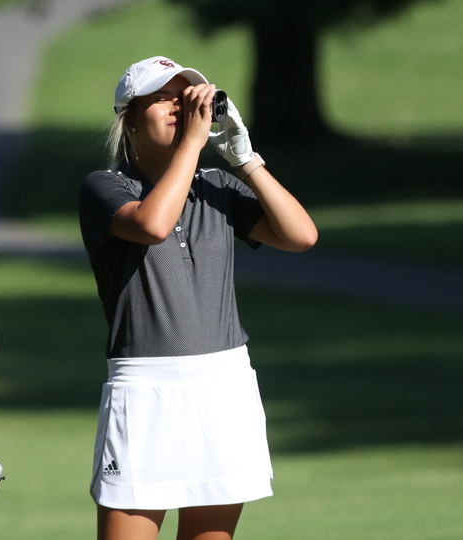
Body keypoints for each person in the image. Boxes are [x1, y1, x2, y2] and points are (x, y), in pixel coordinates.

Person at [78, 56, 318, 540]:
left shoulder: (219, 187)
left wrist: (246, 159)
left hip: (224, 384)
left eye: (187, 96)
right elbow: (152, 224)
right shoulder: (104, 187)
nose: (180, 106)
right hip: (144, 389)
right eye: (164, 97)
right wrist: (193, 142)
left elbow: (301, 236)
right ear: (128, 116)